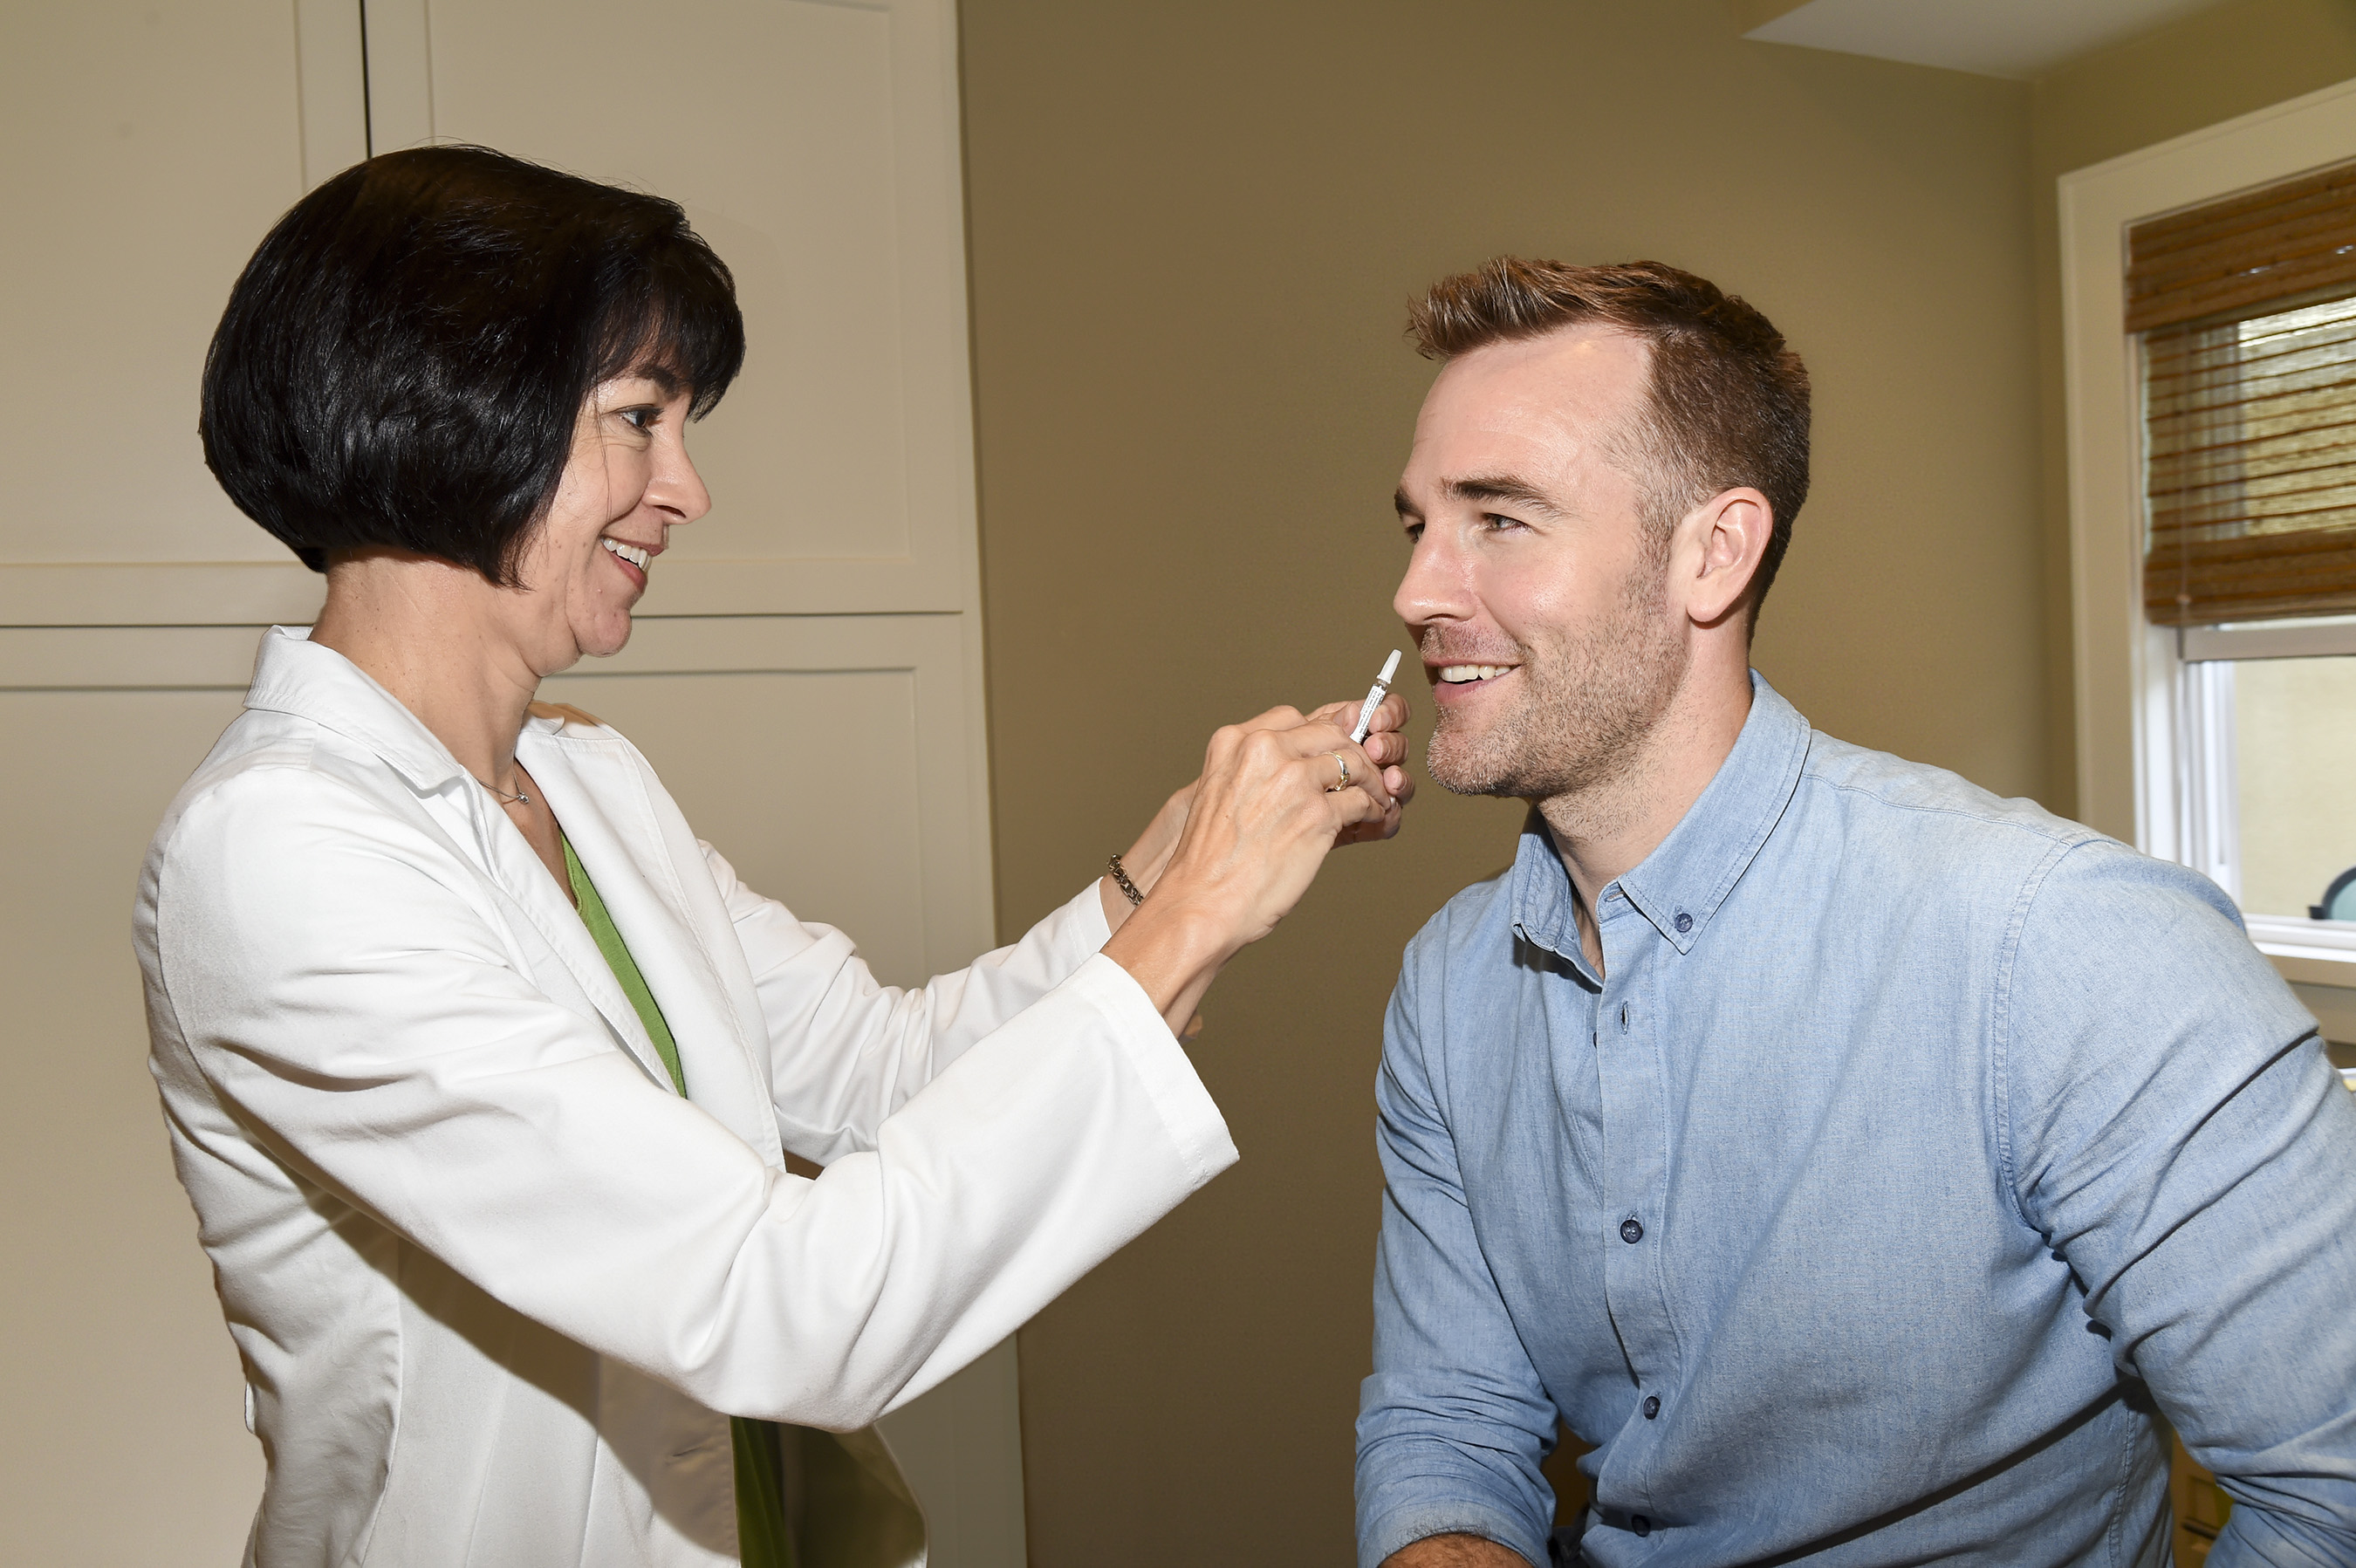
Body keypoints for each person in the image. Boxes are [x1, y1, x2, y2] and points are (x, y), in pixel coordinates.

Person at [134, 145, 1414, 1568]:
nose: (685, 489)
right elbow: (775, 1298)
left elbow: (880, 1073)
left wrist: (1156, 884)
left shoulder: (586, 777)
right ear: (450, 408)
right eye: (639, 418)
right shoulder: (276, 851)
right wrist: (1203, 911)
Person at [1353, 257, 2356, 1568]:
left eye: (1499, 519)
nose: (1418, 591)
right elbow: (1449, 1425)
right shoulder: (1450, 984)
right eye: (1418, 522)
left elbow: (2332, 1491)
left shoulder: (2068, 948)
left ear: (1714, 552)